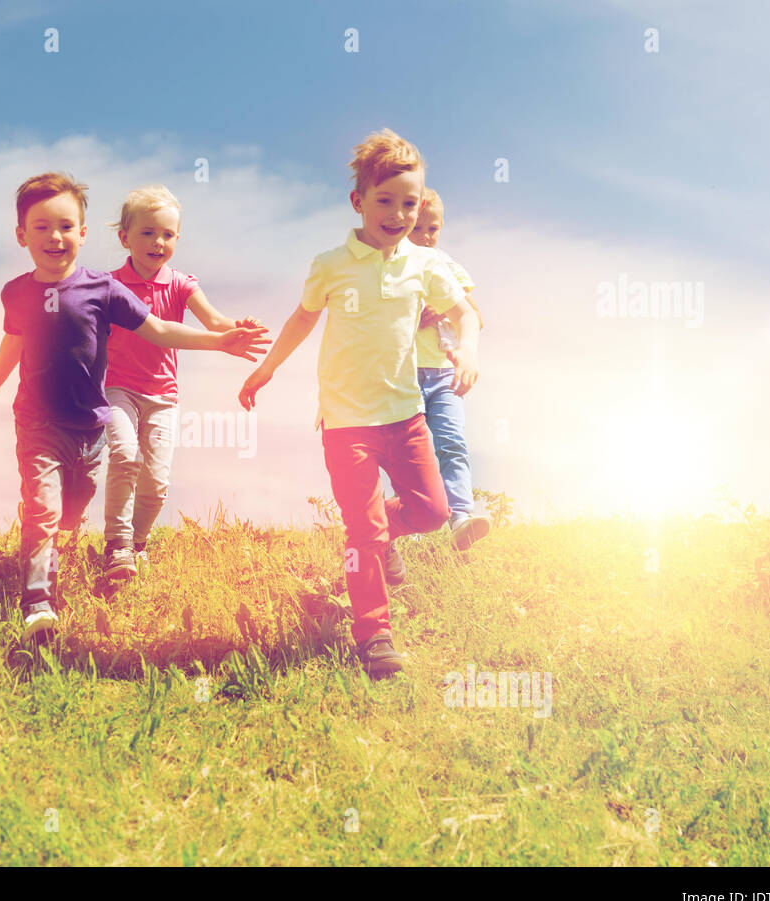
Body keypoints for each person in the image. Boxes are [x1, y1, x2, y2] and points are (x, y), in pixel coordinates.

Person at [0, 172, 269, 644]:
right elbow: (14, 340)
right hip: (37, 423)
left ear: (83, 234)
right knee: (42, 511)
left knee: (71, 508)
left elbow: (161, 331)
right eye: (41, 227)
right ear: (21, 235)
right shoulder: (16, 293)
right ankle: (39, 601)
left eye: (65, 226)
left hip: (89, 427)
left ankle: (80, 541)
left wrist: (219, 342)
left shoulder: (103, 291)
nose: (54, 237)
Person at [238, 130, 479, 679]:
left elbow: (465, 312)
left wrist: (467, 351)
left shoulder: (425, 264)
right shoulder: (330, 264)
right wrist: (268, 367)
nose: (397, 214)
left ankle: (382, 533)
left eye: (409, 203)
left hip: (405, 415)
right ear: (358, 202)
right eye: (385, 201)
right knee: (362, 532)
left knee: (433, 512)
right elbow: (303, 318)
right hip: (346, 424)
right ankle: (375, 635)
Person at [102, 185, 262, 580]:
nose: (159, 242)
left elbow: (214, 321)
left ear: (177, 238)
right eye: (147, 232)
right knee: (124, 456)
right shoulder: (109, 286)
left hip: (163, 396)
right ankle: (117, 545)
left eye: (168, 234)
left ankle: (138, 543)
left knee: (156, 483)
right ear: (125, 237)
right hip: (117, 388)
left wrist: (237, 327)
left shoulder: (182, 284)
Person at [410, 188, 491, 550]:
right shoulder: (390, 268)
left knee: (452, 443)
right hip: (403, 374)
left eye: (433, 229)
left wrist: (445, 311)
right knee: (409, 455)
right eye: (418, 229)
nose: (425, 237)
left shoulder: (448, 266)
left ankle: (462, 517)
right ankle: (410, 524)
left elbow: (476, 317)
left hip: (443, 374)